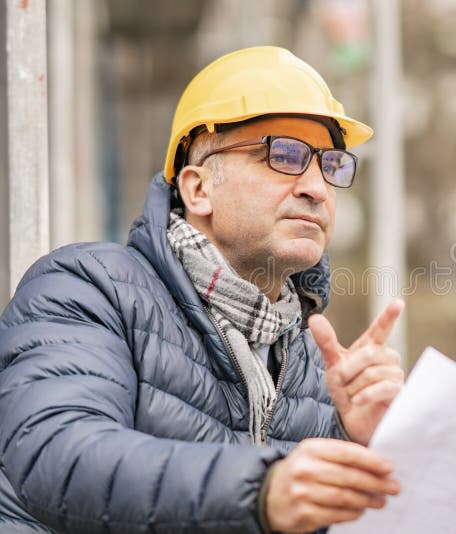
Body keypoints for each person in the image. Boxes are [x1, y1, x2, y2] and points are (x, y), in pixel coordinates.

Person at [0, 46, 405, 533]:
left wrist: (364, 444)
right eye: (284, 155)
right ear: (197, 189)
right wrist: (260, 490)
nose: (316, 188)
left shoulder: (317, 364)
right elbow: (56, 454)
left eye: (330, 164)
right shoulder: (88, 289)